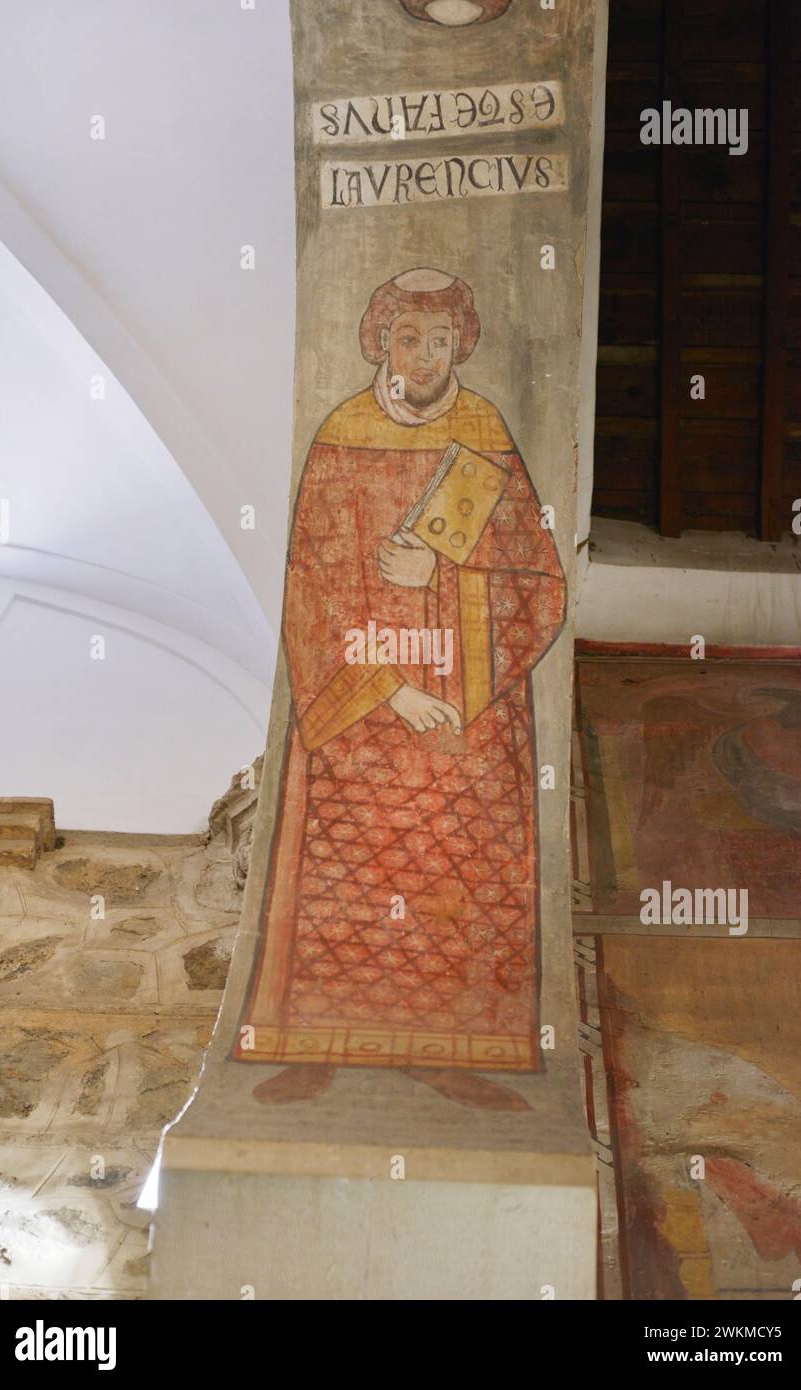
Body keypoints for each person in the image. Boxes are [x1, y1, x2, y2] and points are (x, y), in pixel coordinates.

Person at [236, 267, 566, 1110]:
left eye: (441, 339)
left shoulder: (484, 432)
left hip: (463, 709)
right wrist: (387, 691)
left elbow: (539, 580)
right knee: (340, 871)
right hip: (361, 706)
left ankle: (449, 1045)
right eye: (408, 337)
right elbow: (309, 584)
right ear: (380, 340)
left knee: (450, 873)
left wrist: (448, 564)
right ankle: (315, 1039)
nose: (424, 355)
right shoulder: (341, 432)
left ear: (461, 345)